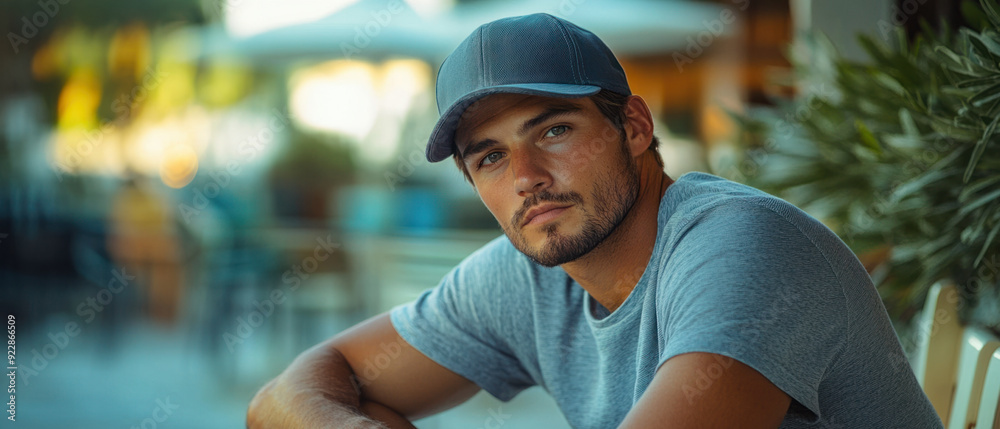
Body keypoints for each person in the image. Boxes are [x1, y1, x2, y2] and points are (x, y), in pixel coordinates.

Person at [247, 13, 943, 429]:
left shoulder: (743, 246)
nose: (526, 177)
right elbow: (280, 399)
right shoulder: (524, 274)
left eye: (552, 130)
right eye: (490, 156)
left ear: (634, 126)